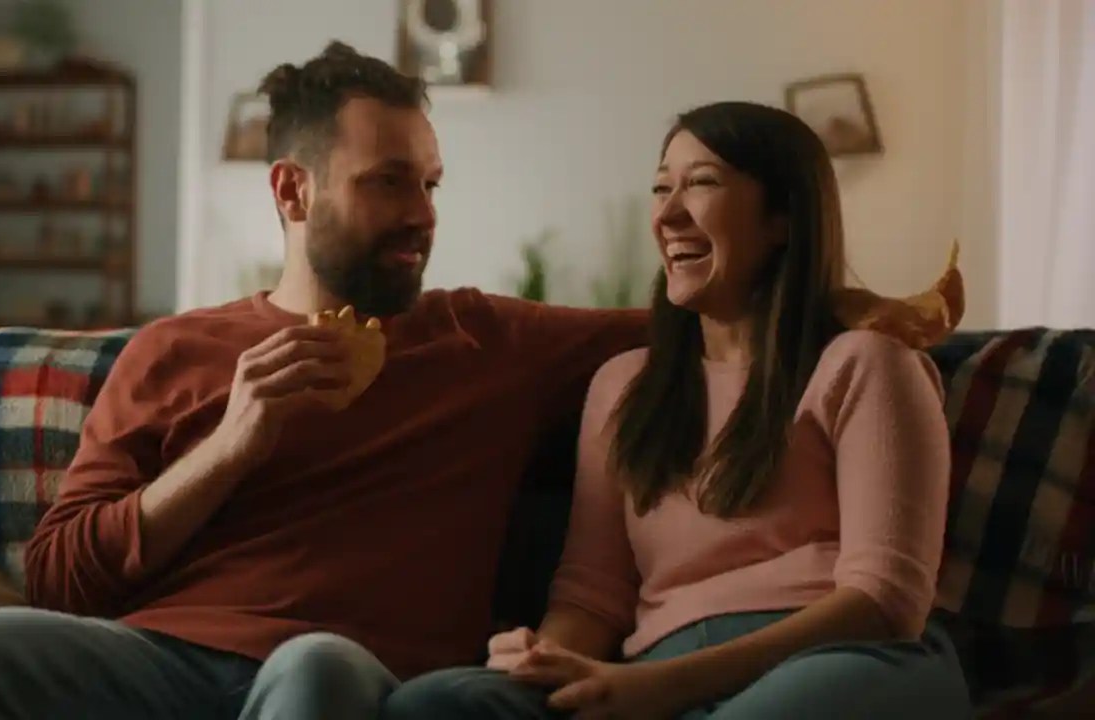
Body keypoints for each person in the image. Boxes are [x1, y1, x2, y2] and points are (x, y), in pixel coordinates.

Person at [0, 42, 646, 720]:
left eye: (430, 185)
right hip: (162, 663)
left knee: (312, 664)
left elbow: (694, 323)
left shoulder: (489, 341)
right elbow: (60, 580)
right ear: (291, 190)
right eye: (387, 183)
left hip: (353, 675)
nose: (422, 214)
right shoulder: (173, 350)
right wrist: (233, 445)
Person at [387, 101, 974, 719]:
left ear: (784, 218)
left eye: (701, 183)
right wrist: (543, 656)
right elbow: (594, 596)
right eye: (661, 187)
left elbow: (885, 602)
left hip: (845, 663)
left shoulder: (867, 365)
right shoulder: (625, 385)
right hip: (658, 674)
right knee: (429, 704)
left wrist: (662, 686)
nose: (667, 214)